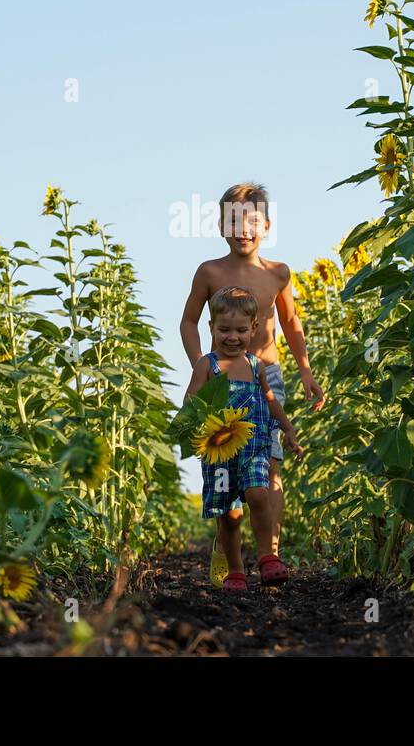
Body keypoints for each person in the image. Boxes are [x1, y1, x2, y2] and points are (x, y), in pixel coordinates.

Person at [179, 182, 321, 564]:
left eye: (252, 221)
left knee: (269, 465)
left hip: (267, 376)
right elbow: (189, 322)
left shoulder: (278, 273)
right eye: (234, 221)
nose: (243, 229)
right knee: (225, 462)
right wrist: (200, 365)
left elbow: (292, 325)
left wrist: (305, 371)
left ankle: (269, 555)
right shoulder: (209, 271)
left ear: (267, 226)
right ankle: (231, 553)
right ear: (221, 228)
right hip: (222, 380)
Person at [183, 286, 299, 591]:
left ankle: (267, 558)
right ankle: (235, 570)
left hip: (255, 446)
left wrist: (287, 428)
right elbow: (191, 402)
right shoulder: (206, 366)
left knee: (259, 494)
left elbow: (271, 401)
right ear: (211, 328)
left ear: (254, 329)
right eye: (224, 330)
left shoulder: (254, 365)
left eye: (240, 330)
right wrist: (191, 424)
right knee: (229, 512)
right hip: (219, 451)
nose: (232, 337)